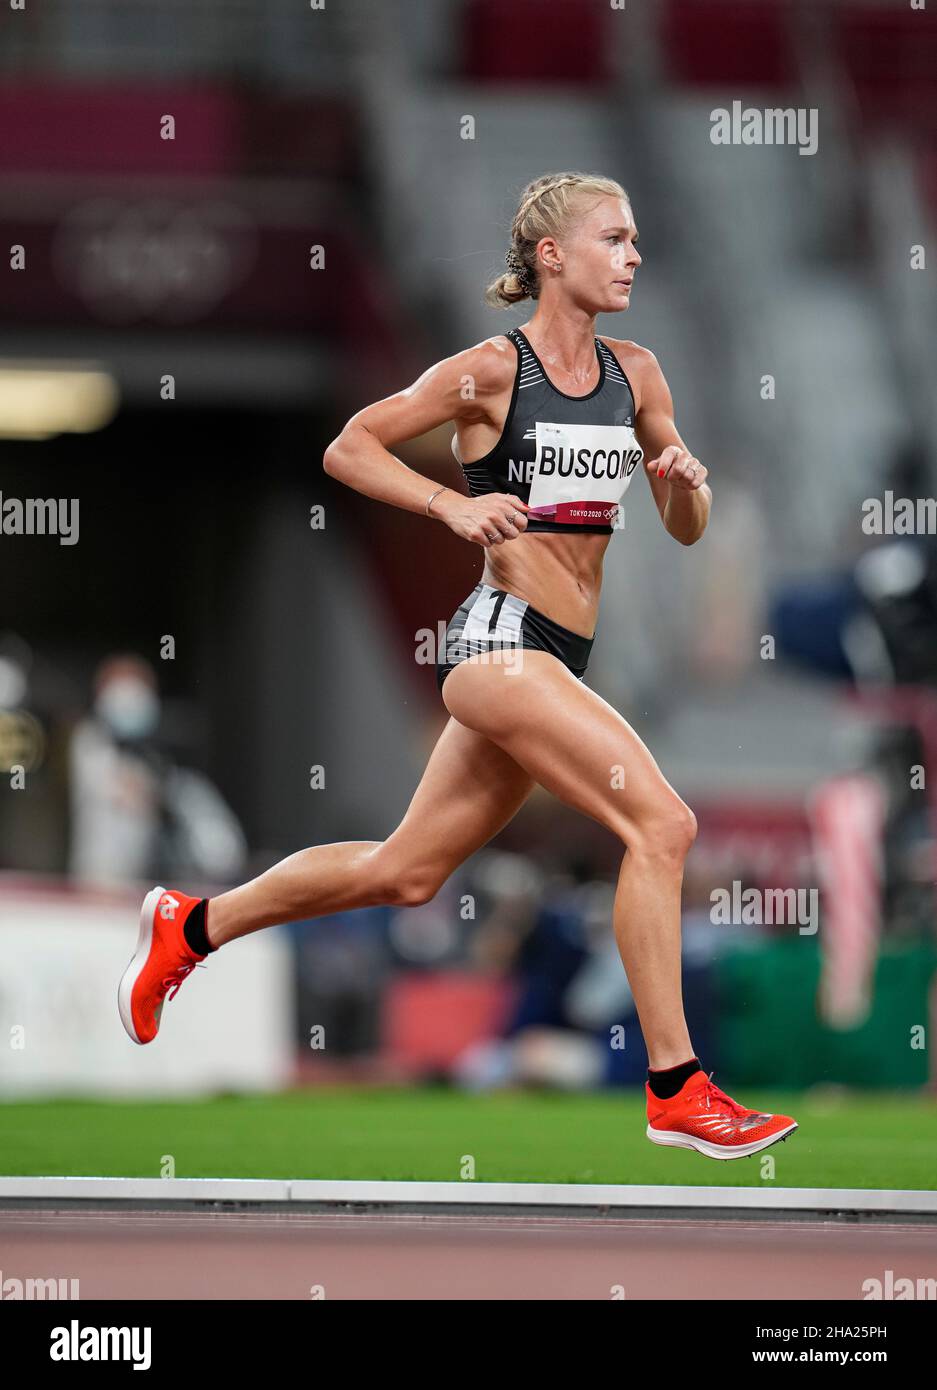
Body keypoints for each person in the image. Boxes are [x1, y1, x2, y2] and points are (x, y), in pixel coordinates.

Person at [118, 171, 796, 1161]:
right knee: (664, 823)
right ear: (553, 257)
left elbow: (686, 531)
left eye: (638, 239)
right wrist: (450, 505)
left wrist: (681, 484)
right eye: (615, 237)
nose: (635, 254)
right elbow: (351, 447)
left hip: (557, 657)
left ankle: (190, 926)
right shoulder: (487, 370)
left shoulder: (639, 374)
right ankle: (674, 1085)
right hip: (497, 642)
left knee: (405, 872)